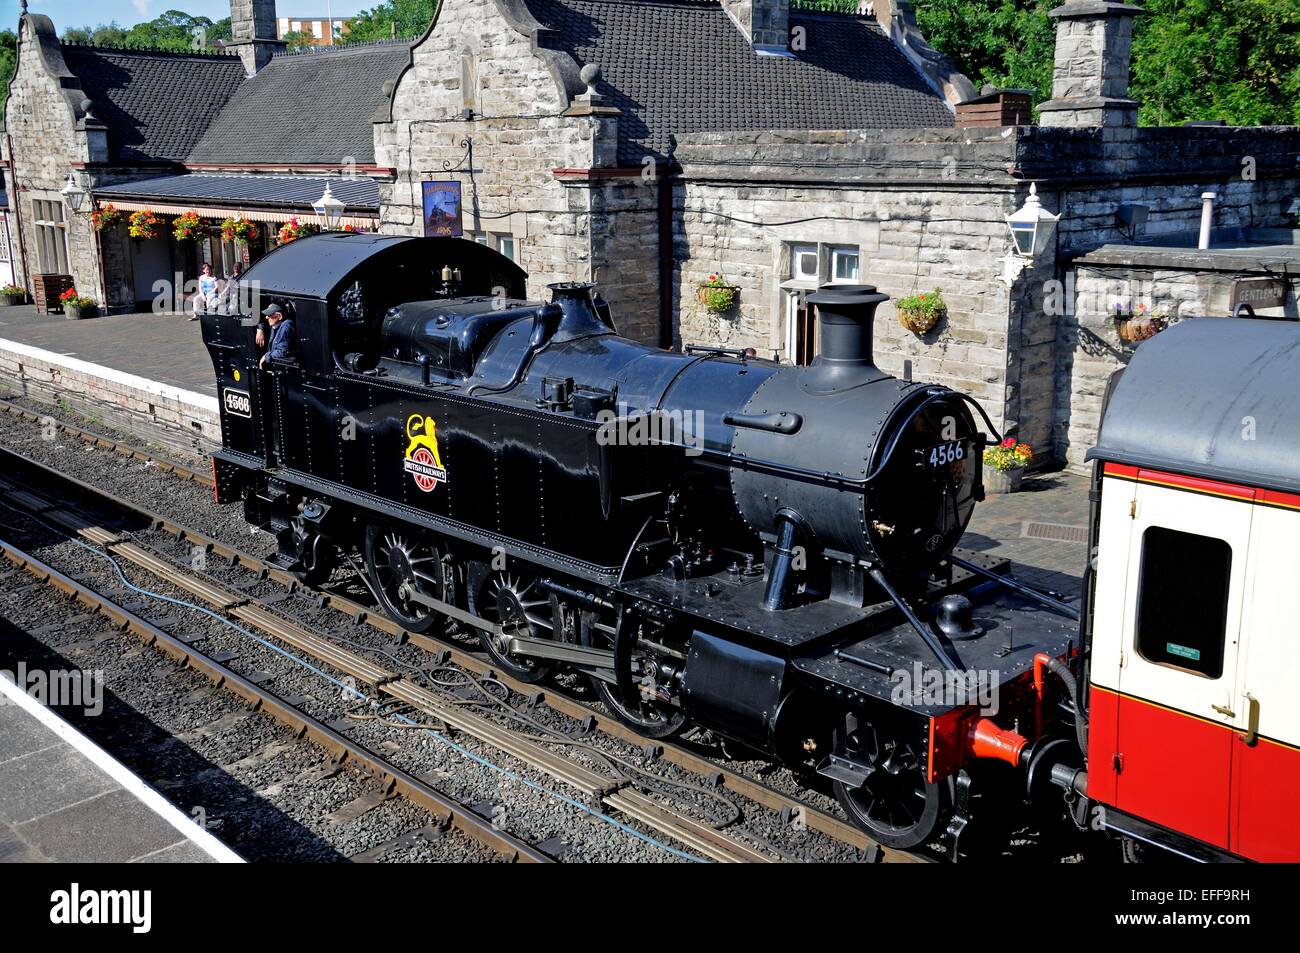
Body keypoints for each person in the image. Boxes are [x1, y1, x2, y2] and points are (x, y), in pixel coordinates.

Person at [259, 302, 296, 369]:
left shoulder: (286, 327)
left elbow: (283, 351)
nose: (266, 317)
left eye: (269, 315)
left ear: (279, 316)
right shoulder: (276, 325)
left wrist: (266, 356)